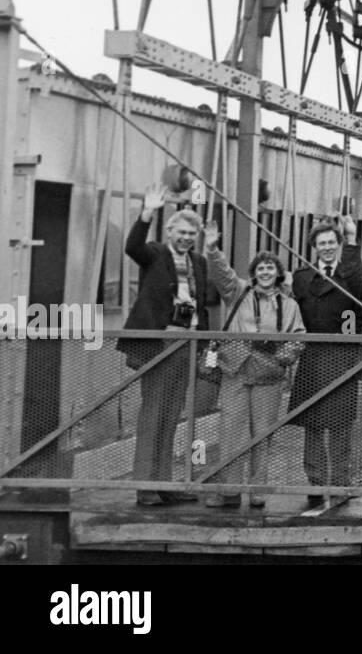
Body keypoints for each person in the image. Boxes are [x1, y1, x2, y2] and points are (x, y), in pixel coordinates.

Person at [119, 185, 217, 507]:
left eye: (192, 233)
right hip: (159, 343)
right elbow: (133, 247)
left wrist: (203, 341)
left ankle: (163, 483)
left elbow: (202, 303)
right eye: (181, 232)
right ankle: (145, 486)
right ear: (169, 231)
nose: (186, 237)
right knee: (153, 414)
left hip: (186, 344)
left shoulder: (198, 262)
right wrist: (146, 212)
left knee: (172, 415)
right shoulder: (157, 254)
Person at [201, 227, 306, 508]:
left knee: (263, 434)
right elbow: (222, 273)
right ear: (253, 272)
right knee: (231, 432)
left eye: (270, 267)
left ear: (278, 272)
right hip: (235, 370)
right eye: (260, 267)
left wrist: (280, 359)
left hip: (268, 377)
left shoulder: (289, 304)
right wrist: (212, 248)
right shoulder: (238, 292)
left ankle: (258, 490)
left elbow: (298, 337)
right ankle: (229, 490)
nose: (265, 271)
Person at [289, 215, 362, 509]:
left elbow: (358, 285)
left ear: (338, 245)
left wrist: (351, 239)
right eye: (321, 243)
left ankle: (339, 482)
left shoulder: (350, 276)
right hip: (312, 356)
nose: (326, 248)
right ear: (313, 247)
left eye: (331, 243)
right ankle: (315, 481)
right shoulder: (301, 277)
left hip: (343, 357)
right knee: (312, 423)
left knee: (341, 424)